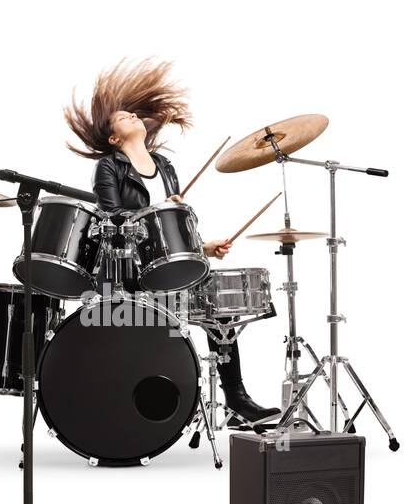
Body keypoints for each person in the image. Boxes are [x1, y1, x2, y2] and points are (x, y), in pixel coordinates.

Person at [64, 59, 279, 423]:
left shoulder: (164, 166)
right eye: (122, 118)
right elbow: (111, 218)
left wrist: (203, 247)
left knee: (219, 307)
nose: (131, 115)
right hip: (129, 270)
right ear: (115, 139)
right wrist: (156, 210)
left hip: (169, 265)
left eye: (132, 113)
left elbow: (173, 227)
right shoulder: (109, 167)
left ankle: (237, 400)